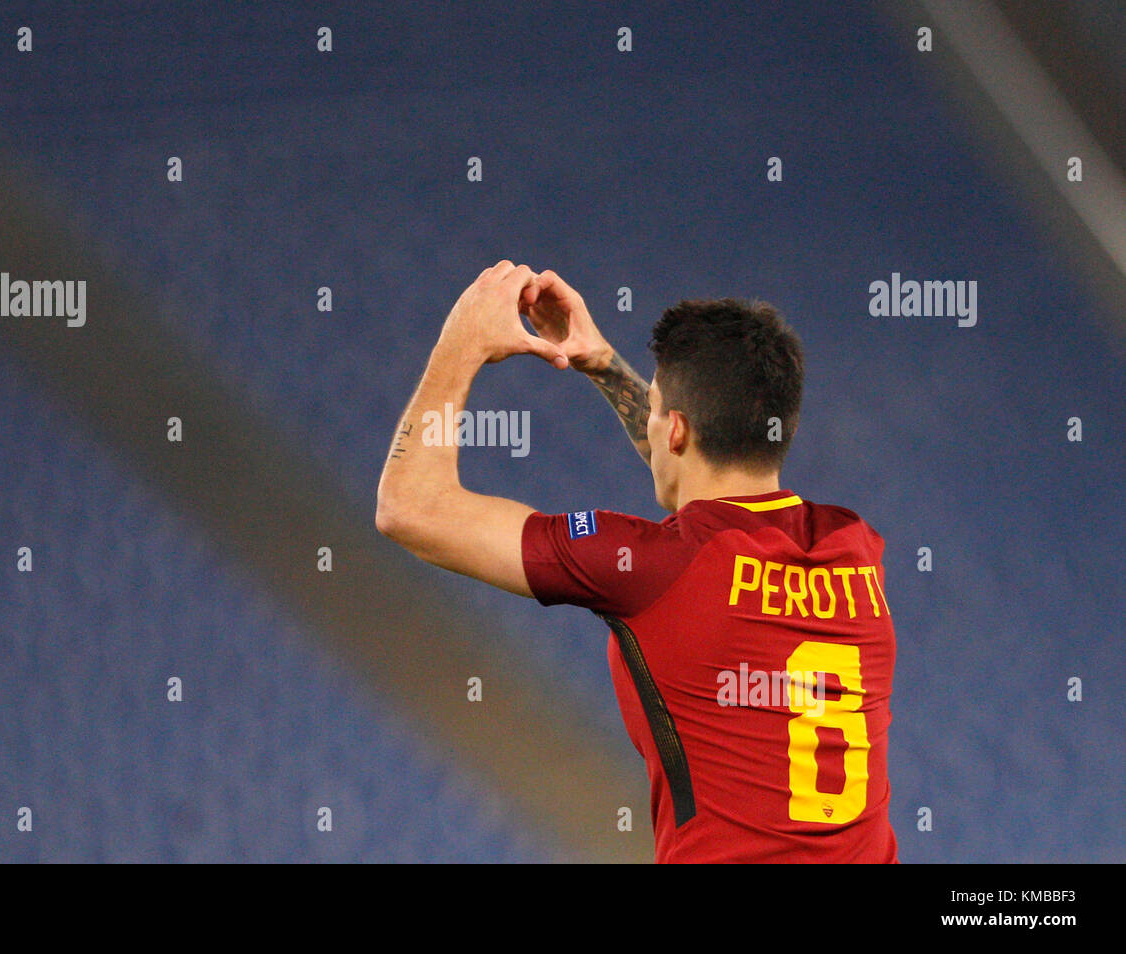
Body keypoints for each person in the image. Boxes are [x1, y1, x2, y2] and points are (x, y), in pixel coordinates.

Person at [376, 260, 898, 863]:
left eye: (655, 409)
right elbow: (704, 491)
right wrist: (601, 363)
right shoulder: (856, 550)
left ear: (674, 430)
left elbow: (408, 509)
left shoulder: (648, 570)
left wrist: (459, 341)